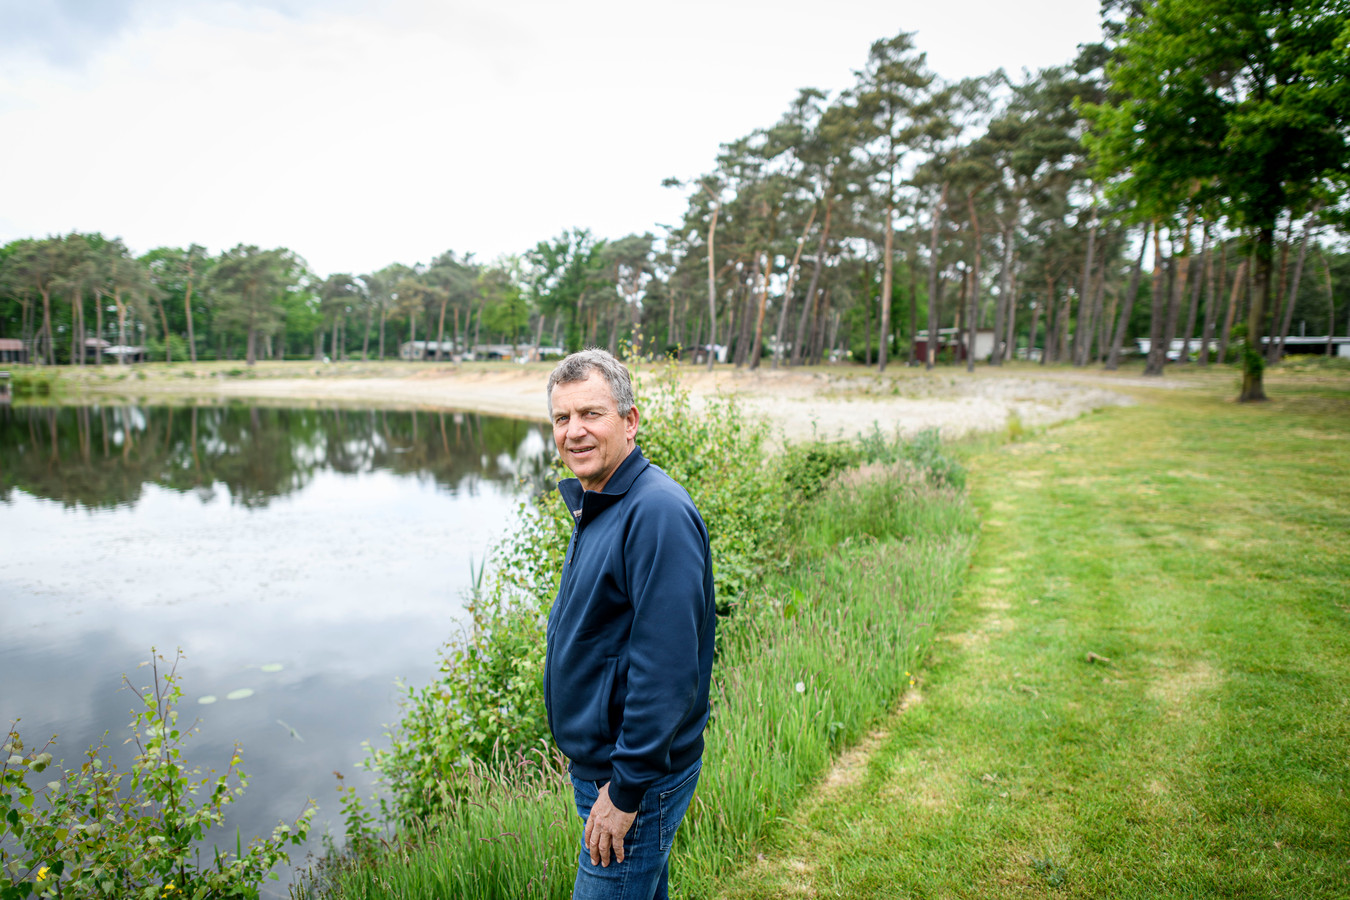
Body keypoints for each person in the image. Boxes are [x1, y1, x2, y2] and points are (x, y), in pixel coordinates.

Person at [544, 348, 716, 900]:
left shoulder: (655, 512)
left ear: (630, 421)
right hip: (610, 770)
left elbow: (666, 669)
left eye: (591, 414)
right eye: (562, 418)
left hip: (634, 781)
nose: (574, 432)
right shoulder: (602, 498)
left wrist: (624, 790)